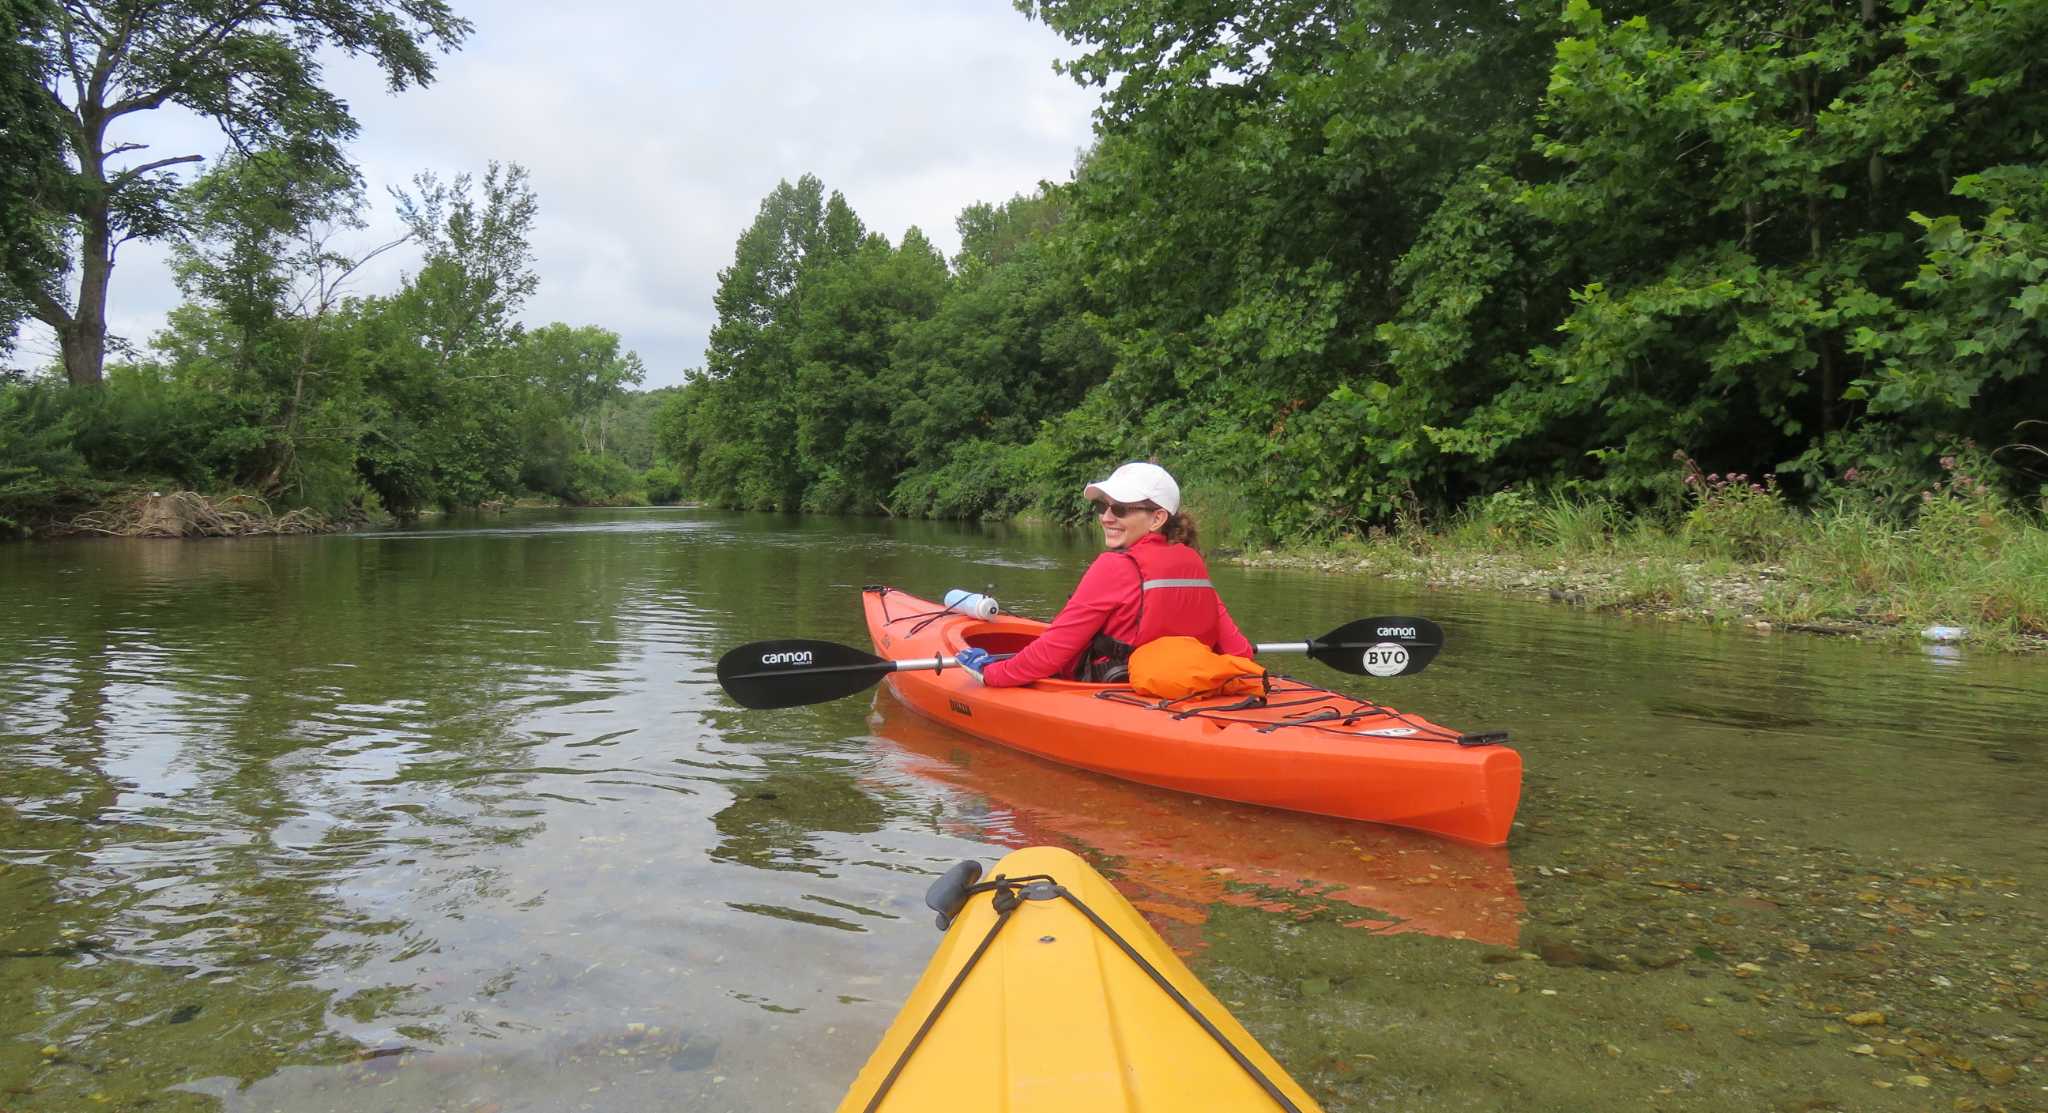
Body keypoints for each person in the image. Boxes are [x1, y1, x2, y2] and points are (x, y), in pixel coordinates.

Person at [955, 462, 1253, 686]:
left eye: (1120, 509)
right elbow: (1240, 652)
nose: (1106, 517)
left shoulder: (1115, 566)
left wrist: (990, 673)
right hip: (1176, 690)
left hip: (1114, 690)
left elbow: (1053, 653)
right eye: (1101, 506)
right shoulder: (1192, 562)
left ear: (1157, 518)